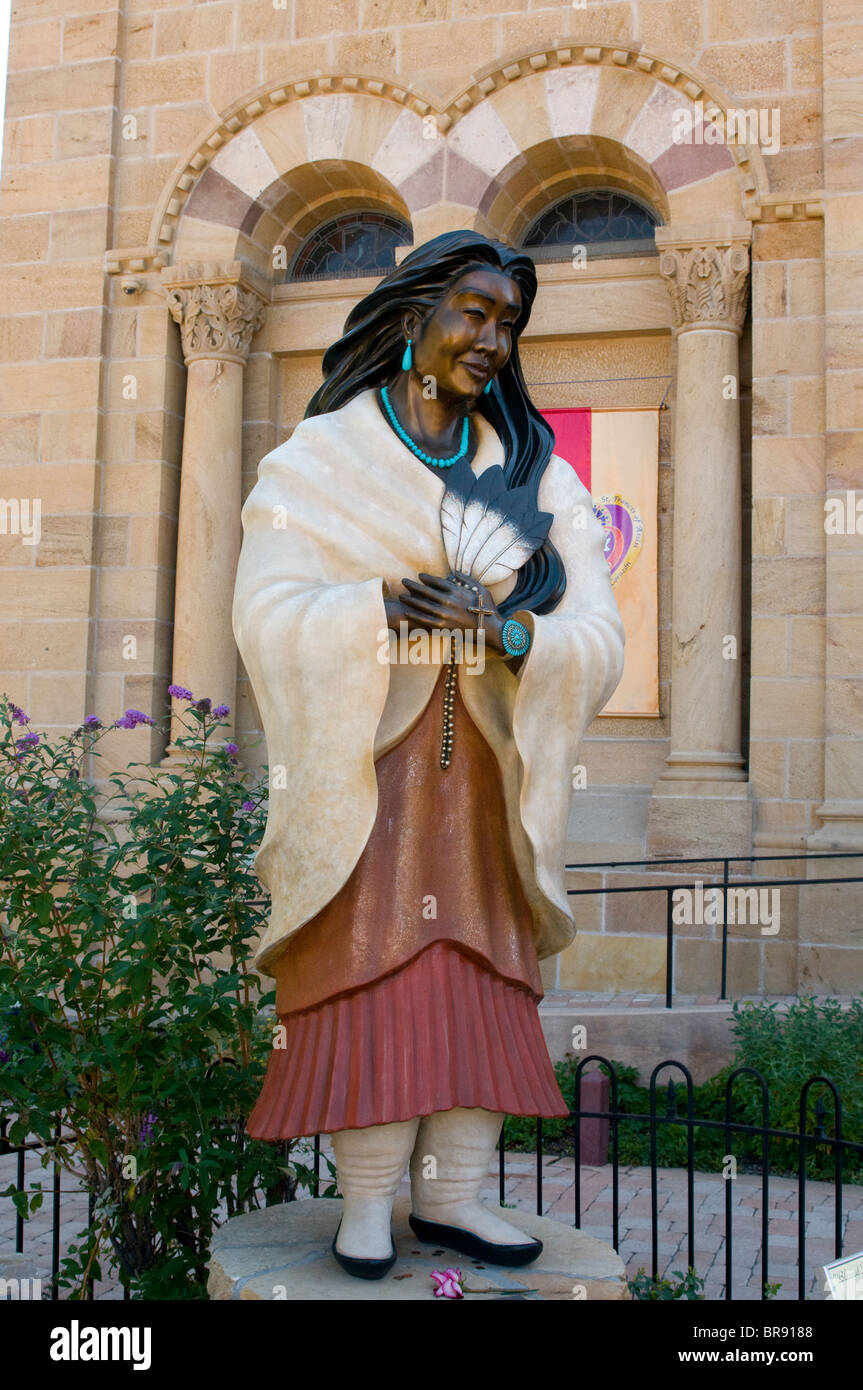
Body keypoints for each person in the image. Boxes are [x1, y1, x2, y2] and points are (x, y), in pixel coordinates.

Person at [232, 230, 625, 1280]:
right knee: (375, 979)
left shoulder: (537, 480)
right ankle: (365, 1206)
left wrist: (511, 636)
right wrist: (377, 606)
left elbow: (600, 637)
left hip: (487, 780)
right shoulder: (318, 465)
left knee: (480, 982)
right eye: (472, 313)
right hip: (373, 778)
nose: (492, 339)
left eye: (508, 323)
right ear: (412, 321)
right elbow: (262, 610)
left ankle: (453, 1198)